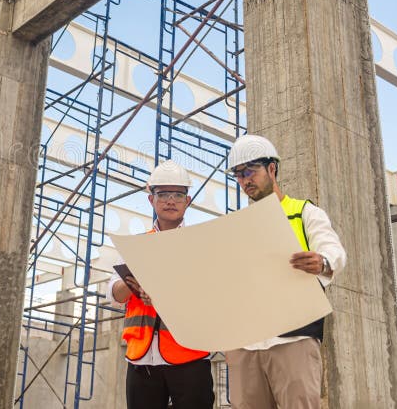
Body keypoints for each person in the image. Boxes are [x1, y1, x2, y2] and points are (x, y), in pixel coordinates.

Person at [224, 134, 347, 409]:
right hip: (246, 342)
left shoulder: (304, 213)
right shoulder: (238, 226)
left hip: (294, 337)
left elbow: (334, 251)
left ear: (272, 168)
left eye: (249, 171)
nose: (245, 181)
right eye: (238, 175)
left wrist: (323, 262)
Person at [107, 160, 215, 409]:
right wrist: (134, 278)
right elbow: (113, 294)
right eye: (163, 194)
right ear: (151, 200)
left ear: (188, 201)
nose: (170, 201)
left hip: (190, 356)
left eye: (178, 194)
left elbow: (212, 295)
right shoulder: (135, 247)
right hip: (142, 359)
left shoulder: (202, 246)